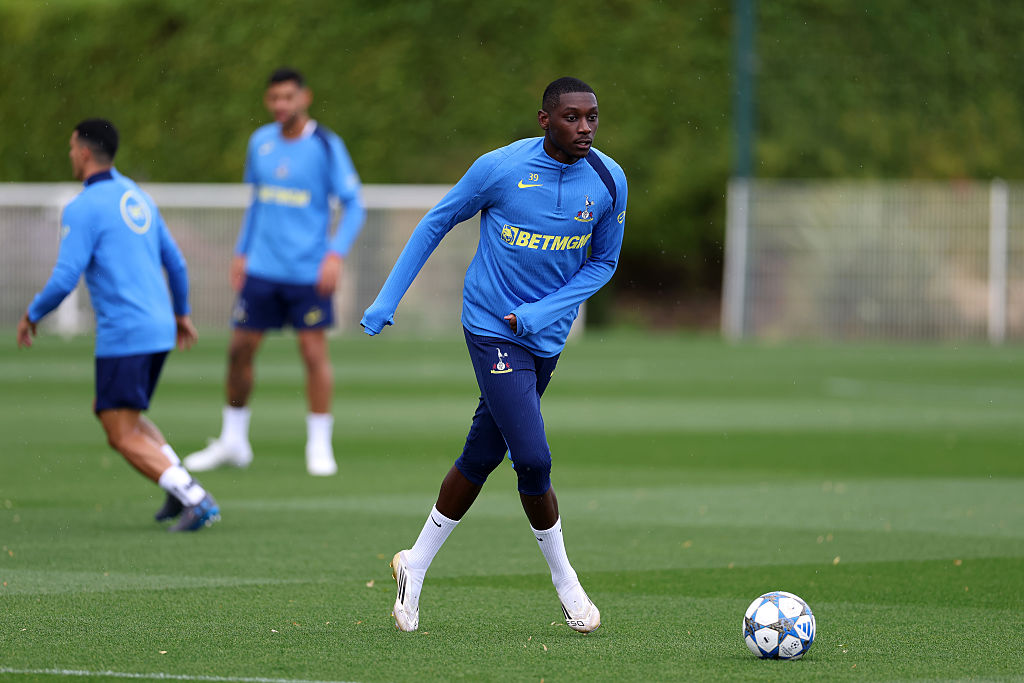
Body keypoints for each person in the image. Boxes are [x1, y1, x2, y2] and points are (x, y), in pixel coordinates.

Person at [361, 77, 628, 633]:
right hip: (491, 328)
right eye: (572, 117)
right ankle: (566, 582)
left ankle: (414, 562)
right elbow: (437, 221)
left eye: (592, 117)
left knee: (482, 454)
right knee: (532, 458)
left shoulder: (609, 179)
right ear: (544, 119)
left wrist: (541, 313)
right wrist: (388, 299)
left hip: (544, 336)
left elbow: (603, 263)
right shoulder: (500, 169)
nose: (585, 128)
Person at [17, 118, 219, 533]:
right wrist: (181, 314)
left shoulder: (84, 206)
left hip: (126, 332)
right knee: (126, 416)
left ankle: (194, 497)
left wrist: (32, 314)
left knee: (119, 432)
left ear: (83, 152)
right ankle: (173, 481)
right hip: (159, 326)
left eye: (71, 147)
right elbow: (176, 263)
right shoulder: (137, 196)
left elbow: (65, 277)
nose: (70, 154)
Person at [184, 67, 366, 477]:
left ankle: (319, 445)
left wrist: (335, 255)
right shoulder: (260, 142)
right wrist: (241, 251)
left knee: (313, 354)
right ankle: (234, 441)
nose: (281, 105)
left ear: (305, 97)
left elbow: (354, 205)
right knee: (239, 350)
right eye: (274, 98)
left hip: (307, 271)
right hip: (262, 269)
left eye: (288, 97)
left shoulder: (326, 145)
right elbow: (258, 201)